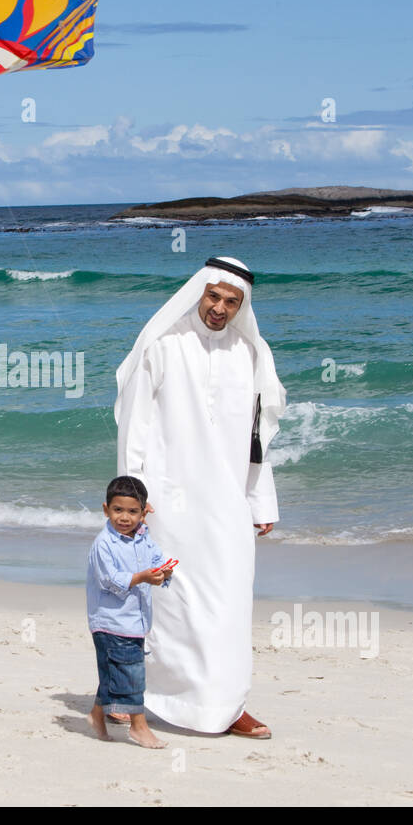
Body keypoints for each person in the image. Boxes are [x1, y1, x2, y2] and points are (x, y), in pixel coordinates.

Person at [114, 256, 286, 738]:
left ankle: (226, 706)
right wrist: (132, 497)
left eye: (232, 301)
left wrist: (260, 500)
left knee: (230, 602)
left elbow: (257, 439)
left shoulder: (250, 353)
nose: (220, 307)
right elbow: (135, 427)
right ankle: (142, 697)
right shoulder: (163, 345)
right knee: (170, 604)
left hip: (228, 501)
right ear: (198, 293)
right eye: (214, 296)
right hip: (168, 500)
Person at [86, 474, 176, 749]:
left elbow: (157, 560)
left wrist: (163, 573)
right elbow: (110, 580)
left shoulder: (143, 538)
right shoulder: (104, 544)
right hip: (111, 621)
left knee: (115, 673)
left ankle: (96, 715)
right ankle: (139, 726)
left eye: (132, 511)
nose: (124, 517)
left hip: (136, 621)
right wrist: (141, 578)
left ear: (143, 512)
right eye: (118, 510)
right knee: (132, 673)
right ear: (106, 509)